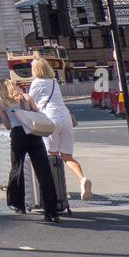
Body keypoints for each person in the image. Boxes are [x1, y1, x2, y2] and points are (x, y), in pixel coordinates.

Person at [28, 57, 91, 201]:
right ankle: (82, 179)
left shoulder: (36, 83)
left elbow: (30, 102)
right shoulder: (54, 82)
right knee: (67, 156)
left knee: (51, 156)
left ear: (35, 70)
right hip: (66, 118)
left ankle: (59, 189)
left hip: (51, 119)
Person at [0, 78, 60, 221]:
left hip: (18, 134)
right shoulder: (26, 97)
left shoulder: (2, 103)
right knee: (44, 172)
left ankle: (18, 203)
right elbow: (37, 113)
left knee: (17, 168)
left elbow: (7, 126)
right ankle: (51, 211)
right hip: (34, 134)